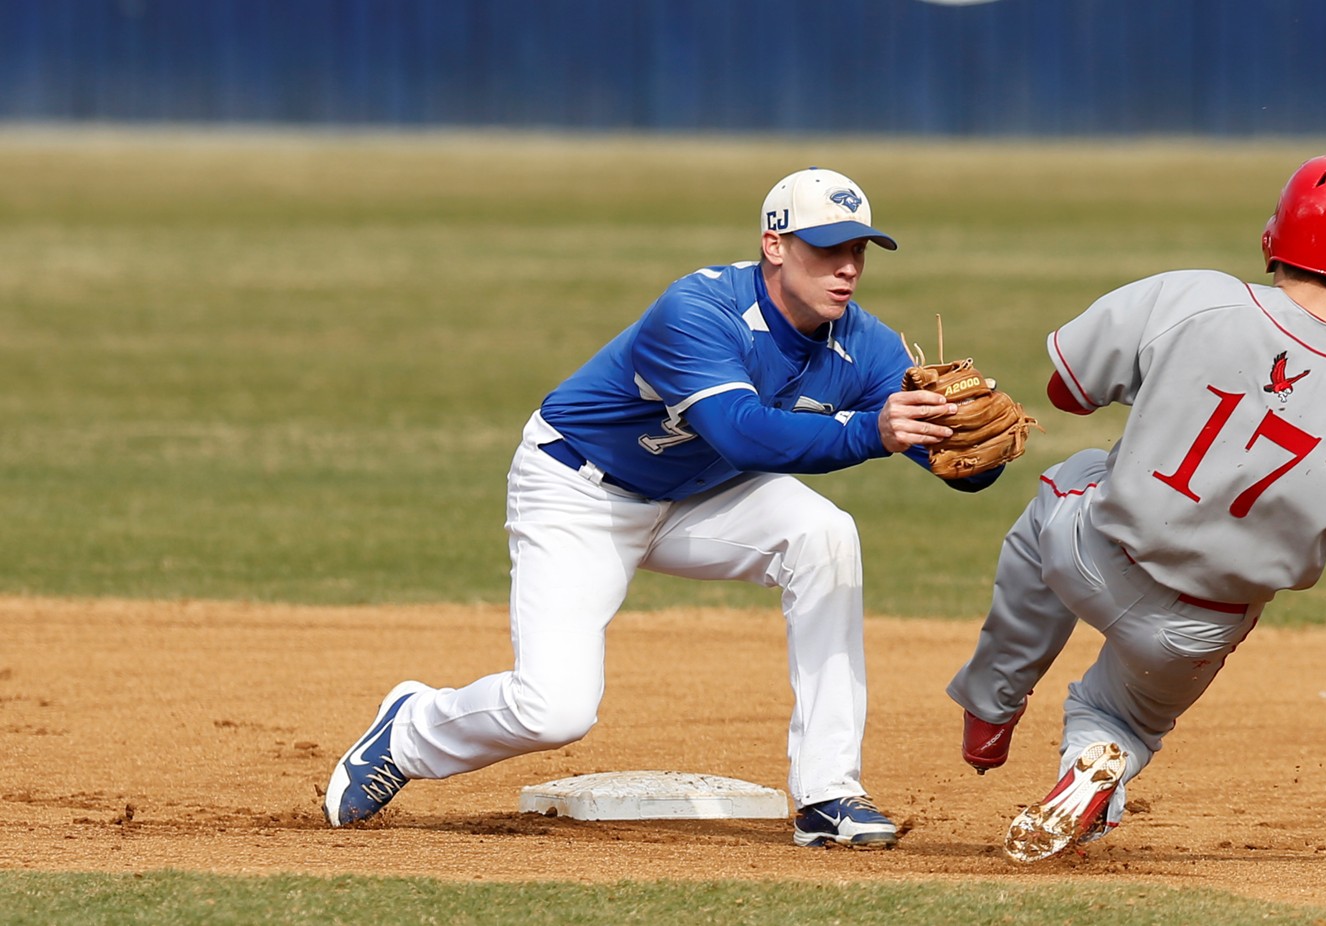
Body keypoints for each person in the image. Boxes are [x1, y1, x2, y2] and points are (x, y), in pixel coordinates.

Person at [324, 166, 1007, 850]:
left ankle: (830, 794)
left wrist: (974, 451)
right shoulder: (698, 311)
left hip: (700, 495)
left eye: (857, 250)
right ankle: (410, 729)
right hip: (579, 491)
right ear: (774, 245)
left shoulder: (865, 344)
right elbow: (741, 431)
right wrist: (870, 432)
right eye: (827, 249)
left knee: (825, 534)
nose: (847, 268)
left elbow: (944, 461)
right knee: (553, 711)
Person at [945, 154, 1326, 861]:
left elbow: (1067, 390)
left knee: (1073, 477)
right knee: (1120, 715)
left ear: (1270, 238)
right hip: (1197, 629)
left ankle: (990, 709)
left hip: (1094, 554)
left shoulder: (1195, 297)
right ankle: (1093, 765)